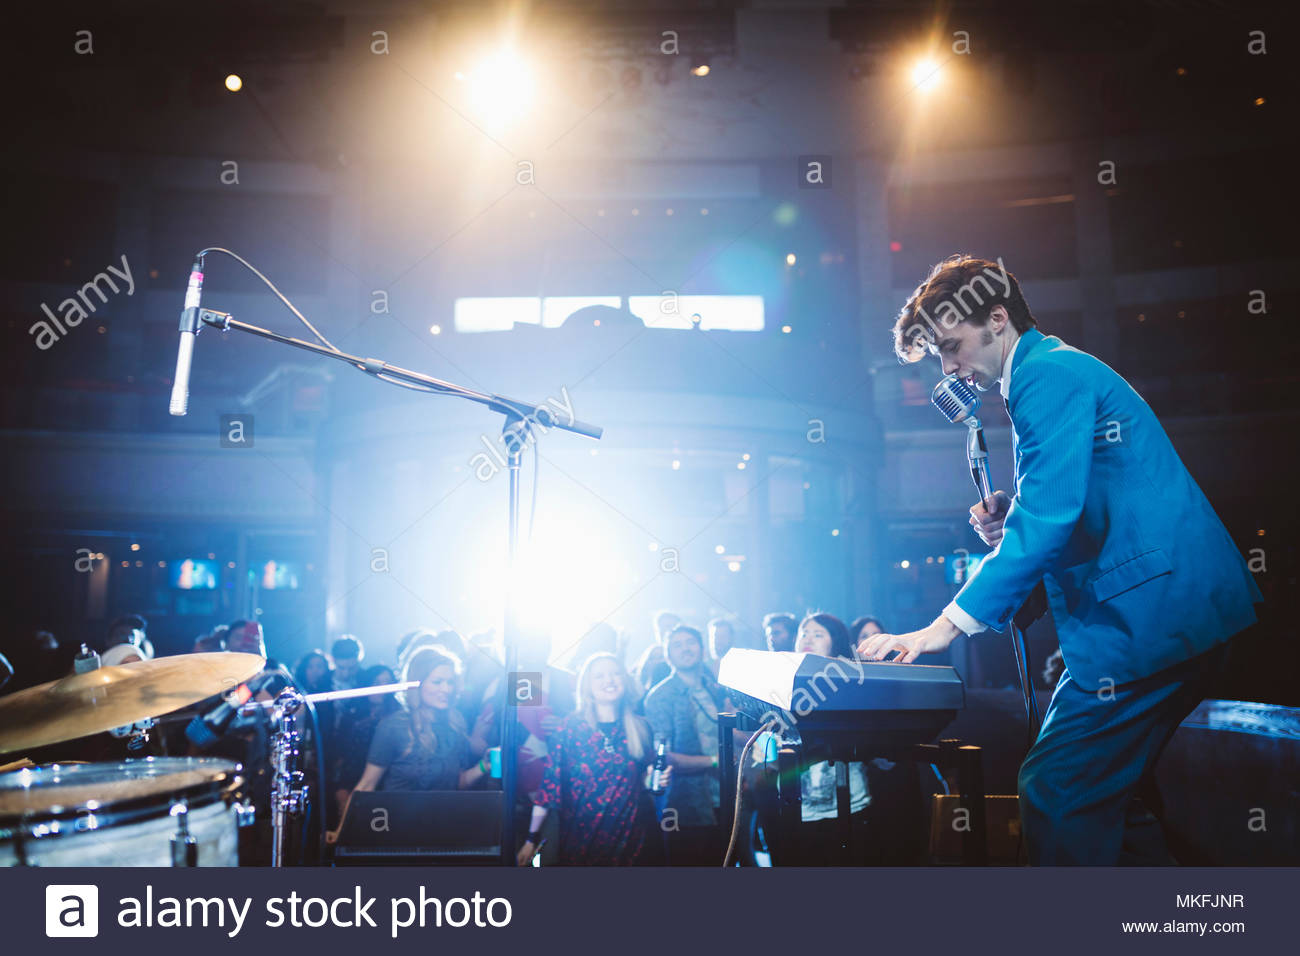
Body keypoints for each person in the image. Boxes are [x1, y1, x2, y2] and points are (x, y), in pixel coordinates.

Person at [859, 254, 1262, 865]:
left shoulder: (1045, 376)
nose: (947, 368)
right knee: (1109, 800)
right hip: (1162, 615)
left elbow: (1048, 522)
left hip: (1151, 620)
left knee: (1055, 789)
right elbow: (1066, 510)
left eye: (950, 346)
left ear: (997, 319)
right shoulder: (1052, 372)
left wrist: (940, 630)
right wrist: (1015, 517)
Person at [517, 653, 670, 866]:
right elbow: (548, 789)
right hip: (584, 842)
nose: (609, 680)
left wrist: (654, 780)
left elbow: (644, 781)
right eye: (599, 676)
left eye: (616, 673)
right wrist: (531, 839)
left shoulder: (641, 727)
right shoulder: (570, 729)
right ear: (586, 686)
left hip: (635, 842)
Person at [329, 647, 493, 842]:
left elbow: (454, 783)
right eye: (437, 682)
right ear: (417, 684)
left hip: (442, 829)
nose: (446, 689)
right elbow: (367, 784)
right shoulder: (394, 726)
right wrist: (341, 831)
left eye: (450, 682)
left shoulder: (456, 723)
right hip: (398, 830)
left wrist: (484, 766)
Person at [753, 613, 871, 865]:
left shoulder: (852, 682)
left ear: (835, 643)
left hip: (848, 804)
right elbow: (767, 750)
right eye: (804, 633)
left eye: (818, 634)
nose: (808, 638)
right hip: (798, 808)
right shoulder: (779, 685)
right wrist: (765, 747)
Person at [644, 624, 730, 865]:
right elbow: (664, 756)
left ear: (702, 650)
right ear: (668, 654)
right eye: (677, 645)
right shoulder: (660, 696)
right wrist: (715, 761)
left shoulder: (713, 689)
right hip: (685, 803)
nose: (685, 649)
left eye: (690, 642)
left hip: (723, 795)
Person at [331, 663, 402, 821]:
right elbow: (341, 755)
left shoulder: (398, 717)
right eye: (377, 683)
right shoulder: (351, 714)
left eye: (387, 683)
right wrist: (341, 789)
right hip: (352, 782)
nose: (382, 688)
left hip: (387, 788)